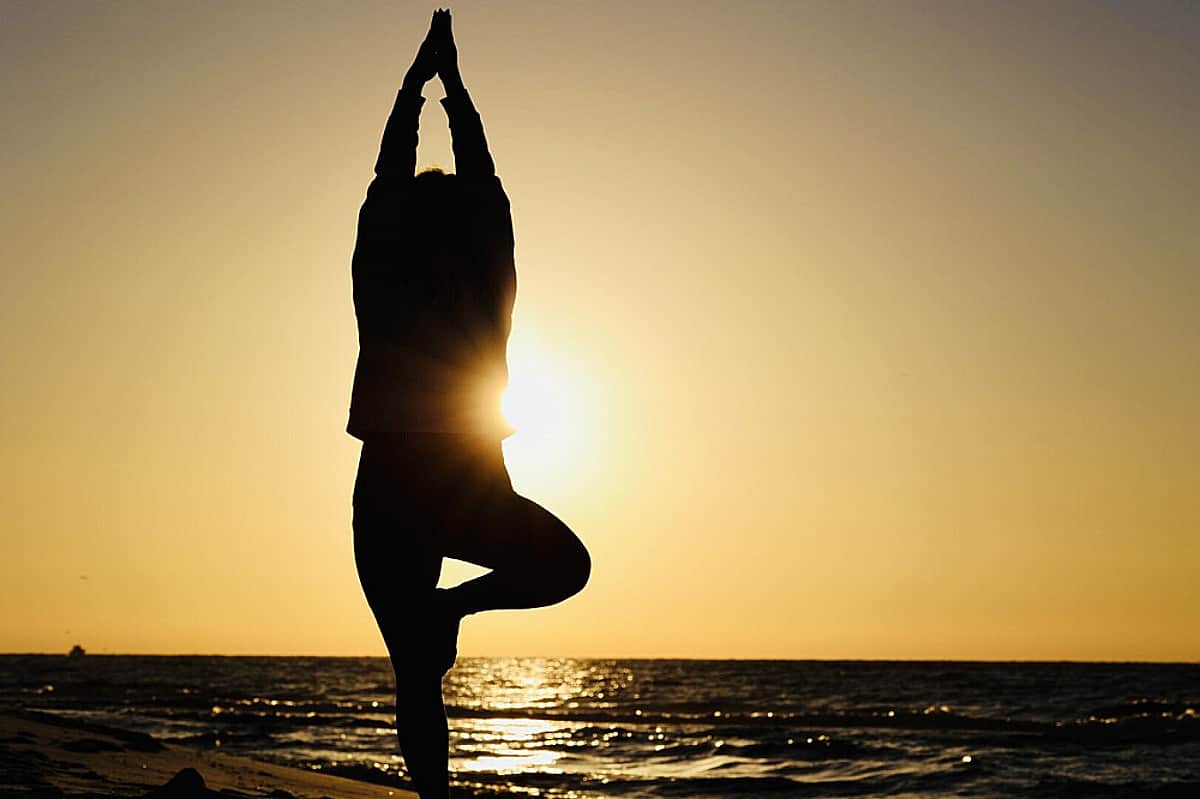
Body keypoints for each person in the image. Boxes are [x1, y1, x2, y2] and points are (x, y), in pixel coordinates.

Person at [347, 10, 591, 799]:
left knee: (415, 668)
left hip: (394, 491)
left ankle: (435, 786)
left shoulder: (383, 276)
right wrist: (450, 88)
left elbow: (392, 181)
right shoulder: (486, 285)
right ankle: (449, 616)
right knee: (555, 571)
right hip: (450, 490)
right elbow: (482, 187)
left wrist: (417, 85)